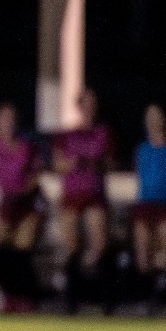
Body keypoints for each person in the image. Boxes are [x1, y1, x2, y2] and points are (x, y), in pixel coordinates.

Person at [51, 87, 113, 313]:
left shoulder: (103, 133)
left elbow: (109, 163)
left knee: (99, 244)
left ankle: (105, 301)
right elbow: (58, 165)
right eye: (85, 104)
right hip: (72, 195)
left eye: (92, 104)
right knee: (72, 247)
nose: (89, 108)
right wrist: (73, 163)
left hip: (95, 195)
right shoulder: (66, 135)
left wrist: (95, 163)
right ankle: (71, 302)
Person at [0, 101, 45, 311]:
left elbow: (35, 177)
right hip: (3, 205)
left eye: (12, 119)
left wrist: (21, 194)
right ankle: (4, 293)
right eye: (3, 119)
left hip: (26, 204)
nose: (8, 124)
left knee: (22, 241)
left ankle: (25, 297)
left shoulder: (27, 149)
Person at [129, 104, 166, 313]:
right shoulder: (142, 149)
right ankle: (146, 298)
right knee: (143, 252)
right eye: (149, 117)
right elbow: (140, 177)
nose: (153, 121)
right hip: (146, 204)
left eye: (157, 116)